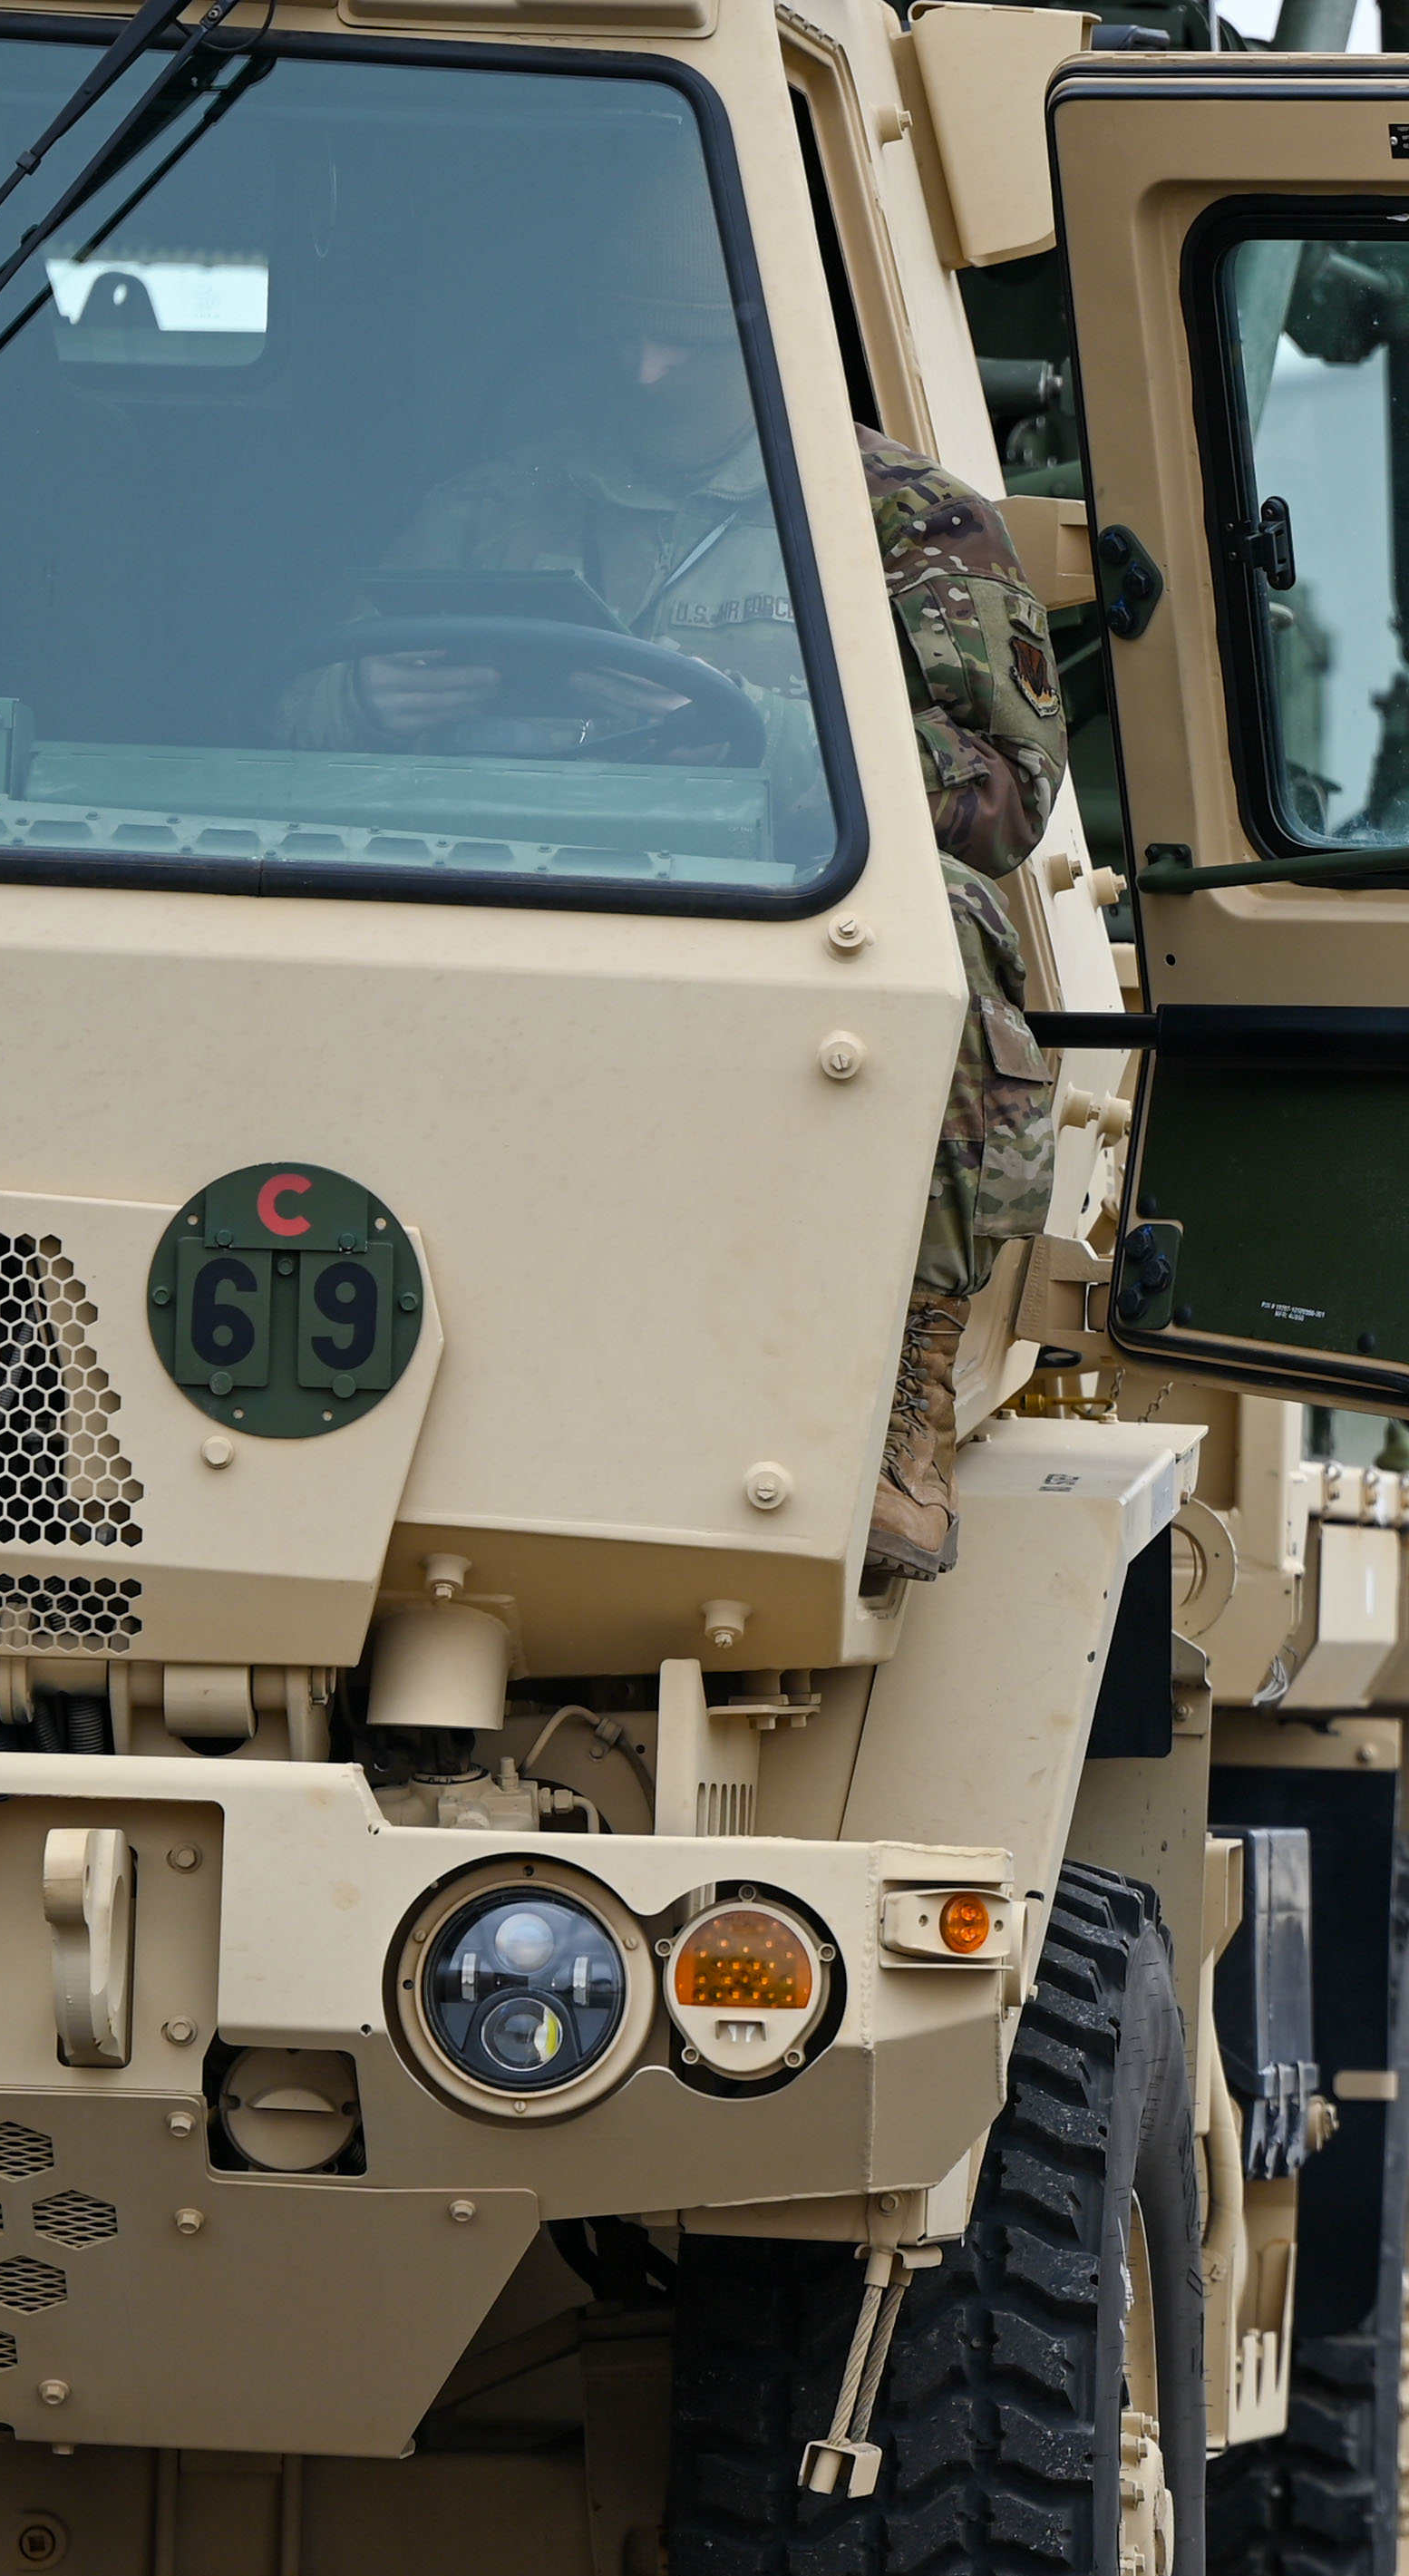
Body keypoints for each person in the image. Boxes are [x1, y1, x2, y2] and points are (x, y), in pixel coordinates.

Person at [284, 180, 1065, 1586]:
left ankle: (902, 1381)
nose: (643, 374)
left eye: (683, 344)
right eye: (619, 338)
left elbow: (1000, 797)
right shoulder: (489, 508)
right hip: (512, 908)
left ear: (762, 335)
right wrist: (368, 709)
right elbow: (277, 734)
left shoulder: (901, 523)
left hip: (782, 918)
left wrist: (748, 734)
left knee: (952, 940)